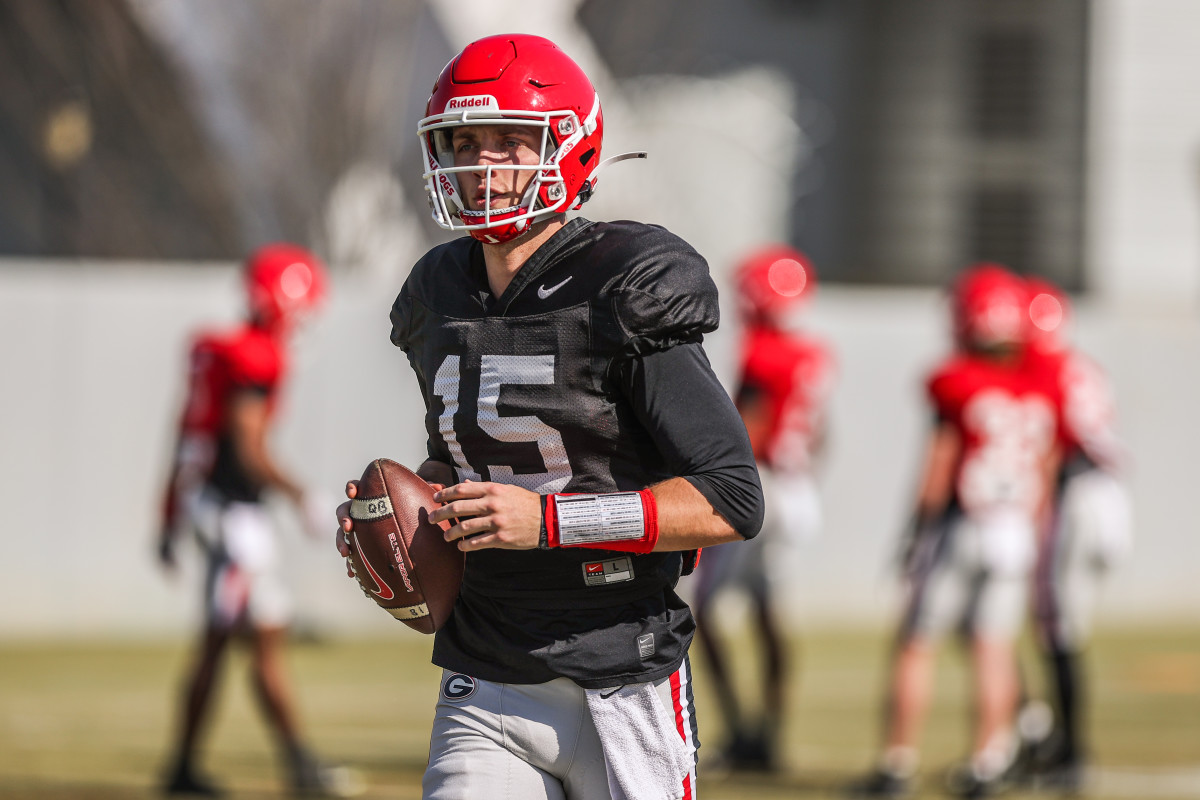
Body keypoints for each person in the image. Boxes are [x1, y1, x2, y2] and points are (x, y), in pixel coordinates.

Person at [333, 34, 764, 800]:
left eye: (510, 142)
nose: (482, 164)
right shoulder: (439, 291)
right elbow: (463, 461)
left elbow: (731, 500)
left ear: (569, 148)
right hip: (486, 666)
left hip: (620, 670)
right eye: (464, 142)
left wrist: (551, 523)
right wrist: (407, 511)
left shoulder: (624, 281)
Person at [849, 264, 1064, 799]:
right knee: (994, 647)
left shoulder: (956, 381)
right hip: (1015, 531)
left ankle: (896, 764)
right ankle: (988, 761)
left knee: (916, 645)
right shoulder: (1039, 387)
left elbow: (939, 468)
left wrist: (914, 532)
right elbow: (1044, 473)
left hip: (962, 523)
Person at [157, 244, 351, 797]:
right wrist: (300, 495)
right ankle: (298, 767)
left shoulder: (219, 352)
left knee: (235, 640)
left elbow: (187, 436)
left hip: (215, 507)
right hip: (234, 516)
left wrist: (169, 518)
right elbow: (247, 445)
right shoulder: (253, 356)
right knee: (255, 639)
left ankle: (195, 767)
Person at [691, 245, 835, 771]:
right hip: (796, 490)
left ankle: (744, 733)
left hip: (760, 487)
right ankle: (768, 732)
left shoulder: (762, 353)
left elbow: (749, 432)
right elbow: (820, 433)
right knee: (768, 613)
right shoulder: (813, 352)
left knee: (705, 610)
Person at [1017, 277, 1132, 791]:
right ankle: (1052, 739)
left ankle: (1066, 748)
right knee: (1056, 624)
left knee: (1055, 625)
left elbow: (1055, 448)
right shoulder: (1081, 364)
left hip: (1074, 496)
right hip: (1104, 496)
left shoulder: (1046, 366)